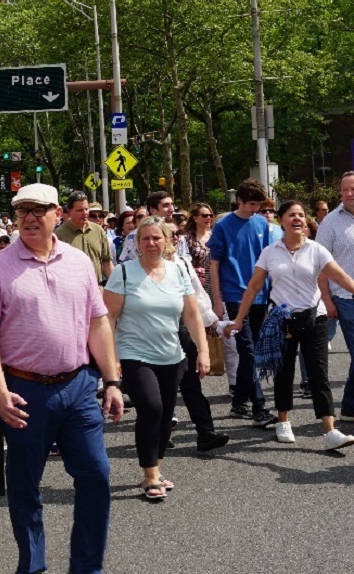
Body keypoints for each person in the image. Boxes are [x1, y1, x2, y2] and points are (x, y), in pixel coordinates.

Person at [0, 183, 124, 574]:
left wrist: (111, 380)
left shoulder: (78, 262)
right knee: (25, 487)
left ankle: (87, 567)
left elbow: (97, 322)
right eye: (23, 210)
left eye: (40, 210)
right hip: (23, 391)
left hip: (78, 387)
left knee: (95, 476)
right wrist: (0, 392)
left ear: (58, 214)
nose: (31, 217)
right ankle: (33, 565)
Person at [228, 200, 354, 450]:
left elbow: (339, 276)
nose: (297, 219)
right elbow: (254, 286)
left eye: (301, 215)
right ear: (282, 221)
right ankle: (283, 421)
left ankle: (329, 430)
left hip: (313, 317)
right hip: (281, 321)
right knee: (284, 373)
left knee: (319, 375)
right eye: (291, 215)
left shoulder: (316, 250)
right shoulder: (270, 251)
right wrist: (239, 319)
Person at [103, 219, 211, 501]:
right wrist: (111, 360)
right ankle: (150, 473)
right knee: (150, 408)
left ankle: (157, 466)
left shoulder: (178, 271)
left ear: (167, 242)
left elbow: (191, 314)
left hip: (172, 356)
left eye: (156, 238)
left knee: (165, 415)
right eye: (145, 239)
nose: (151, 243)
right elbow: (108, 319)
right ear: (137, 243)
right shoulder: (124, 273)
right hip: (134, 354)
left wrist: (203, 351)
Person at [209, 178, 276, 428]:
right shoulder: (223, 225)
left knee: (253, 350)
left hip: (260, 293)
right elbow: (214, 264)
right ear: (239, 201)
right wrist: (217, 300)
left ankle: (239, 402)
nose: (255, 209)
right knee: (248, 350)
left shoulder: (261, 223)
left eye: (259, 204)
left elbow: (268, 259)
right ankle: (259, 406)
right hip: (235, 294)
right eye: (250, 204)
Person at [315, 171, 354, 422]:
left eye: (353, 190)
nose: (348, 194)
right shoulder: (330, 222)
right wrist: (327, 301)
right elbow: (318, 265)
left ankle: (350, 408)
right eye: (344, 190)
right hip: (345, 299)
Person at [55, 191, 114, 285]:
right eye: (80, 210)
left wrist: (115, 288)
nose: (85, 213)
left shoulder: (98, 230)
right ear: (70, 212)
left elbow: (107, 263)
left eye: (86, 209)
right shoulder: (58, 235)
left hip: (98, 290)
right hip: (73, 292)